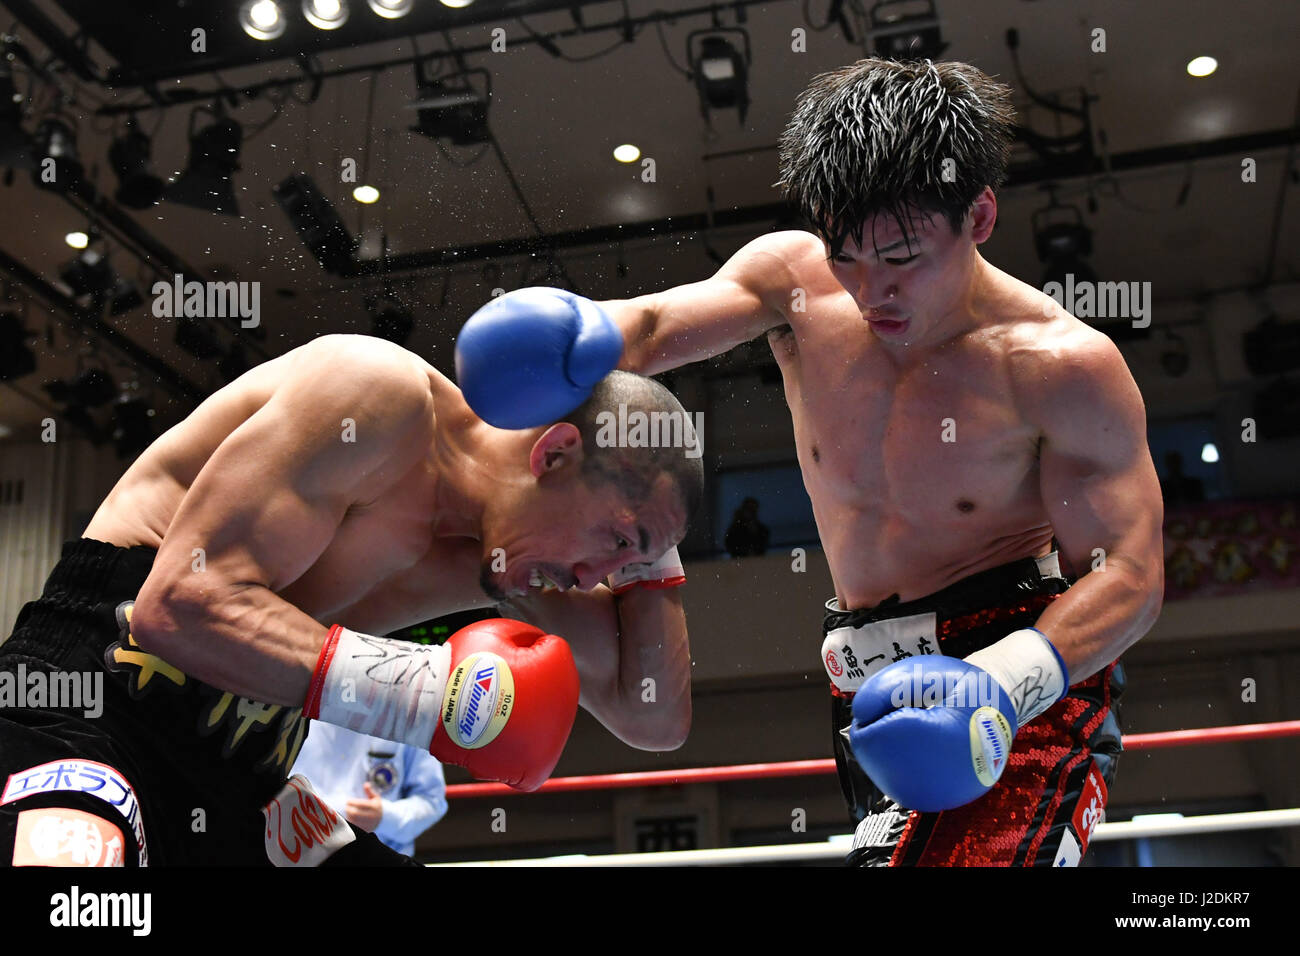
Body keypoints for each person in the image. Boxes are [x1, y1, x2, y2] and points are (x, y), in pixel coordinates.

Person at [454, 58, 1164, 867]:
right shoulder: (794, 282)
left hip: (1019, 673)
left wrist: (1004, 680)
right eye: (846, 256)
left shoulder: (1059, 366)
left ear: (980, 216)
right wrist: (580, 339)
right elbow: (650, 328)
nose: (871, 294)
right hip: (863, 680)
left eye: (901, 258)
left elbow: (1130, 576)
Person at [0, 333, 701, 867]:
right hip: (93, 702)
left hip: (247, 765)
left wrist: (650, 552)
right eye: (614, 539)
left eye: (624, 563)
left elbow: (654, 717)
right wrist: (425, 695)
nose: (592, 579)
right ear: (553, 454)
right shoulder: (380, 398)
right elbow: (178, 606)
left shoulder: (502, 563)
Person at [291, 723, 447, 857]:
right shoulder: (294, 711)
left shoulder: (410, 718)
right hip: (305, 853)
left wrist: (385, 816)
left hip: (383, 855)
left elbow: (433, 801)